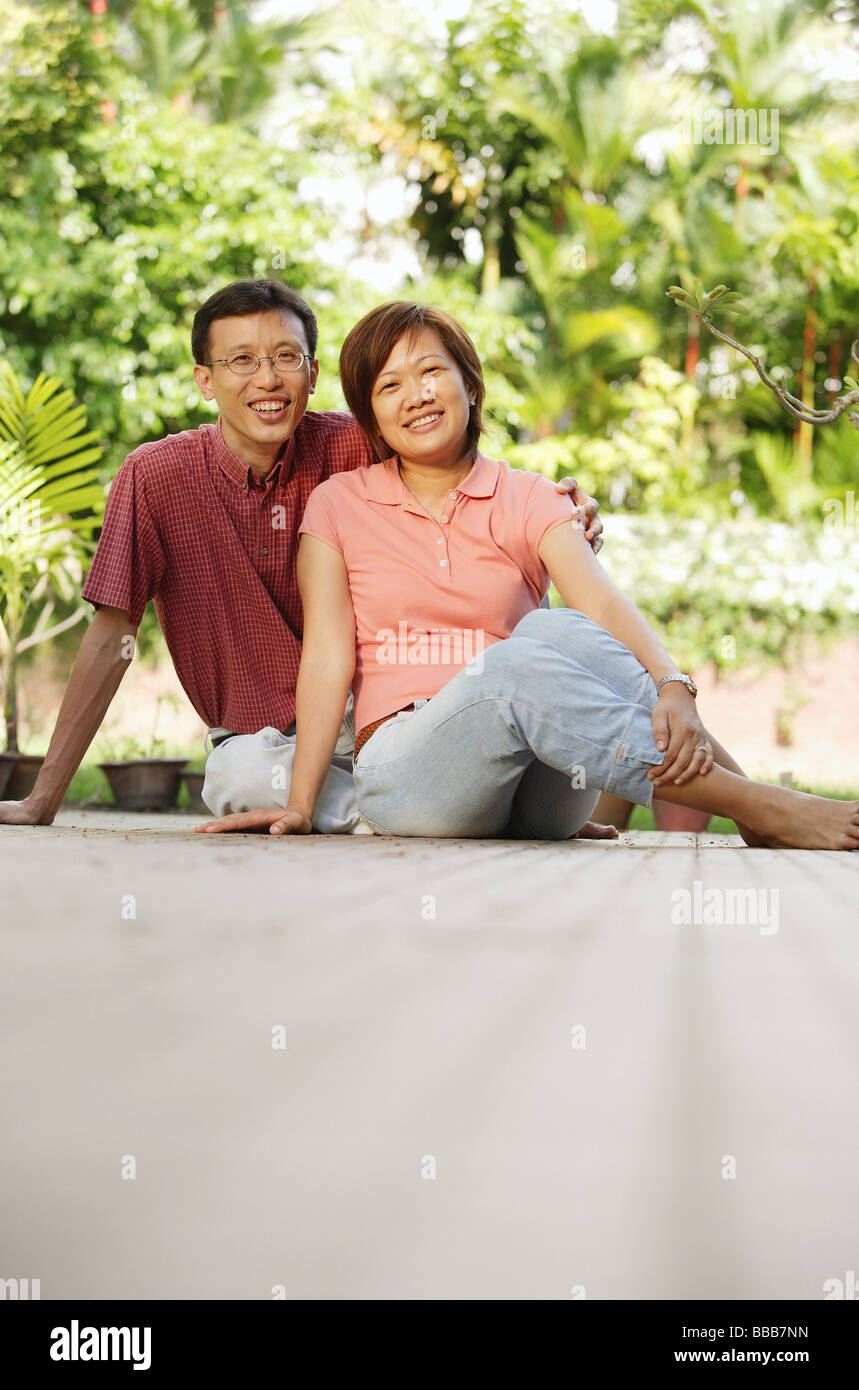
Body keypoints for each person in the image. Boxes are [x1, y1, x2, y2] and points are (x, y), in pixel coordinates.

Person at [198, 302, 859, 850]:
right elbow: (326, 659)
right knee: (508, 669)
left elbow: (597, 601)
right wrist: (301, 802)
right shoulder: (339, 504)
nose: (417, 395)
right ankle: (762, 808)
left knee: (557, 628)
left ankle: (751, 811)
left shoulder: (530, 495)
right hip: (411, 776)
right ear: (369, 416)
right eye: (389, 385)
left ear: (470, 384)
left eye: (431, 371)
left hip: (542, 795)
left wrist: (672, 682)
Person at [0, 280, 602, 831]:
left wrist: (559, 511)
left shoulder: (358, 446)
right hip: (266, 742)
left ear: (311, 374)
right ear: (204, 379)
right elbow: (112, 635)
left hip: (392, 721)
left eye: (286, 358)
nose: (267, 379)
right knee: (235, 777)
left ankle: (432, 803)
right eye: (241, 361)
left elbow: (469, 504)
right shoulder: (156, 477)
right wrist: (42, 799)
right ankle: (427, 811)